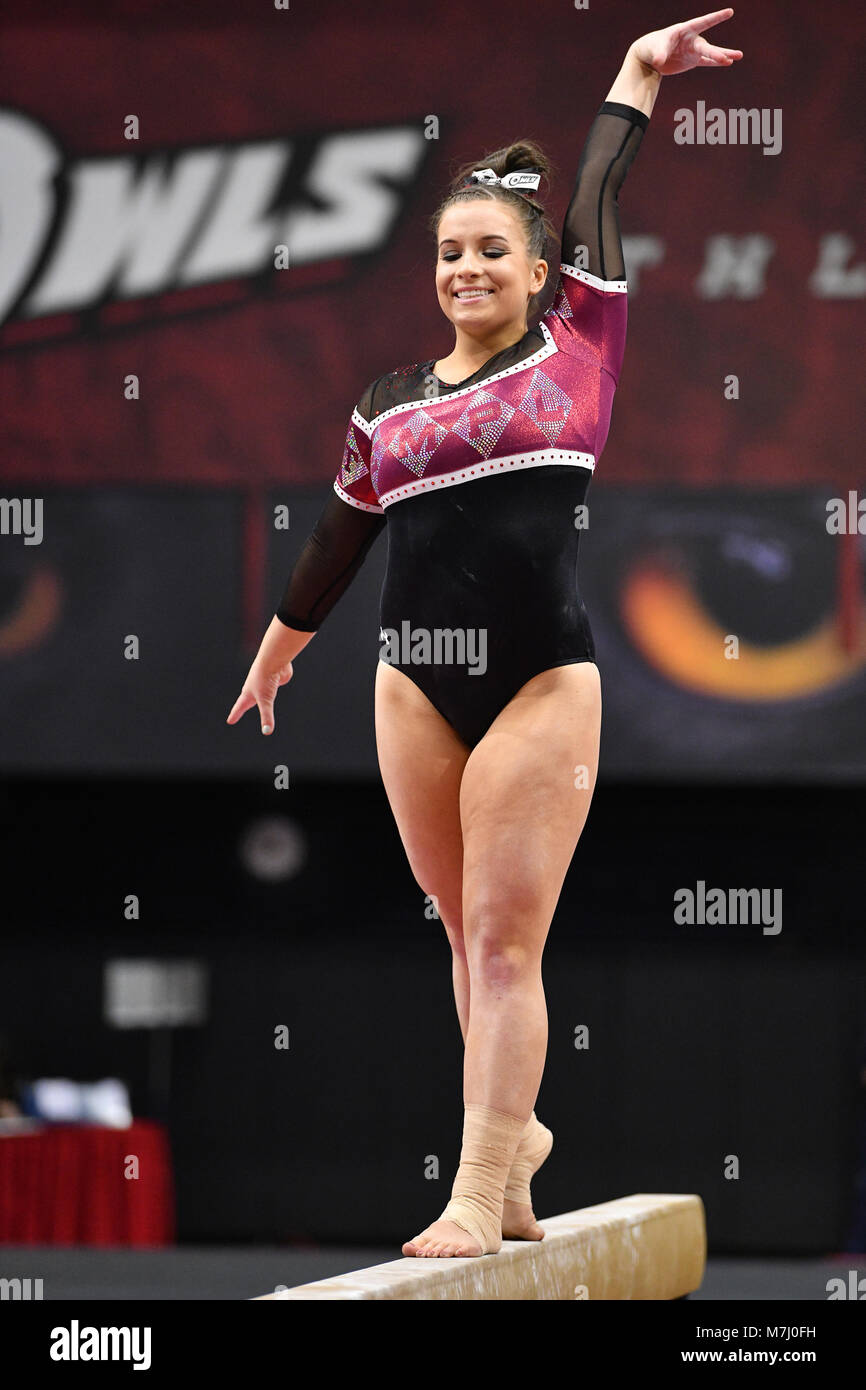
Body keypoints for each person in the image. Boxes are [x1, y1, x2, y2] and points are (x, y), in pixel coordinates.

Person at [228, 11, 743, 1258]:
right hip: (412, 687)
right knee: (462, 936)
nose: (464, 269)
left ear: (533, 269)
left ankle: (471, 1189)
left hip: (540, 687)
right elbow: (340, 537)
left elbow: (605, 182)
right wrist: (280, 644)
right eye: (448, 252)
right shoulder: (387, 405)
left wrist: (633, 73)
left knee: (508, 944)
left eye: (488, 252)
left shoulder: (579, 350)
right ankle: (512, 1156)